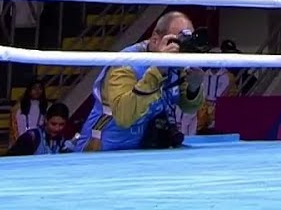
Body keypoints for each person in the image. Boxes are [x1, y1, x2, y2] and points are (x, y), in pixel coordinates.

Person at [72, 11, 206, 152]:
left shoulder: (178, 63)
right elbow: (124, 117)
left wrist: (194, 88)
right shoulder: (126, 64)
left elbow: (189, 108)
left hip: (140, 150)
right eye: (177, 41)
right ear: (155, 40)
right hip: (102, 149)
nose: (181, 49)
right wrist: (158, 70)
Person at [9, 102, 73, 155]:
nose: (57, 128)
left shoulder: (64, 141)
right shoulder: (30, 138)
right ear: (46, 120)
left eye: (61, 124)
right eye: (53, 124)